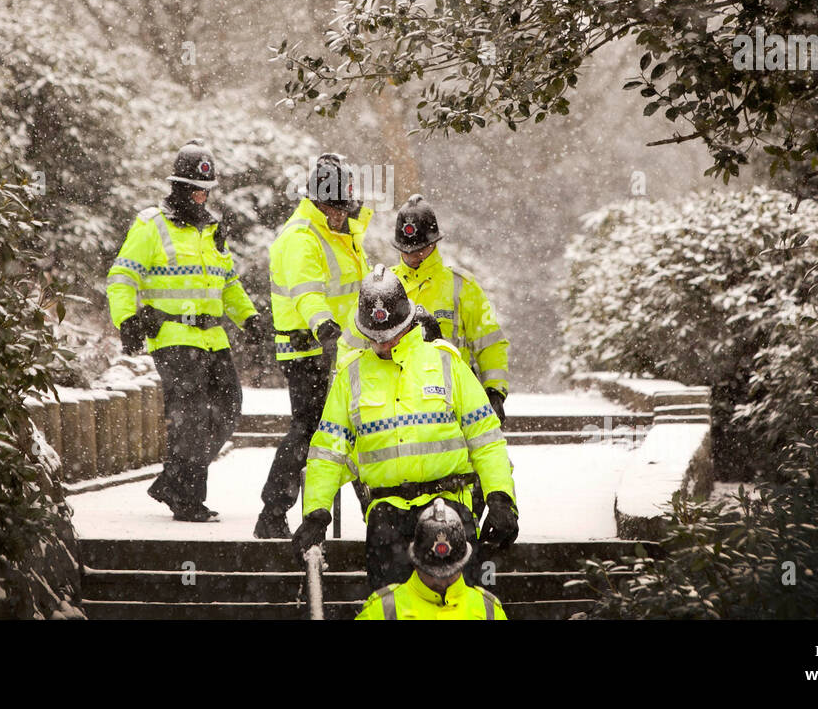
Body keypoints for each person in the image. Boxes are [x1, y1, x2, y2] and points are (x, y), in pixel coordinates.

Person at [293, 265, 519, 591]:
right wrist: (316, 514)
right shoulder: (352, 377)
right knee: (389, 607)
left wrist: (500, 498)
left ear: (407, 322)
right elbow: (328, 452)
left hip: (449, 506)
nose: (383, 344)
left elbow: (486, 438)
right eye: (375, 338)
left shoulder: (446, 364)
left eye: (390, 335)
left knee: (458, 607)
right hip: (386, 515)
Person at [106, 140, 268, 522]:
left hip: (213, 337)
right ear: (178, 187)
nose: (202, 196)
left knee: (228, 410)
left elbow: (227, 282)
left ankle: (172, 481)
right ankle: (187, 500)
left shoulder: (213, 229)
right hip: (173, 336)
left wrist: (249, 318)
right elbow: (121, 277)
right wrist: (126, 320)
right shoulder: (151, 225)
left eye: (207, 190)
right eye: (196, 189)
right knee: (192, 418)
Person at [254, 153, 372, 539]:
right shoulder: (301, 237)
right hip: (307, 351)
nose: (338, 214)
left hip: (343, 350)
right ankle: (273, 511)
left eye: (343, 207)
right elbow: (308, 292)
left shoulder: (343, 235)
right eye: (332, 207)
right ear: (316, 200)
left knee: (353, 428)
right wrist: (323, 324)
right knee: (310, 430)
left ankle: (377, 511)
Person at [391, 194, 511, 425]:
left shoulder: (462, 286)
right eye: (406, 250)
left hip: (454, 403)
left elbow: (491, 344)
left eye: (419, 249)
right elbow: (358, 347)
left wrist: (495, 391)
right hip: (398, 406)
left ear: (433, 244)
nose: (413, 256)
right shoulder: (385, 286)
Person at [356, 498, 506, 620]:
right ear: (415, 564)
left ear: (463, 565)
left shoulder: (489, 611)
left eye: (449, 574)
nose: (439, 582)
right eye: (430, 573)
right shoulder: (381, 611)